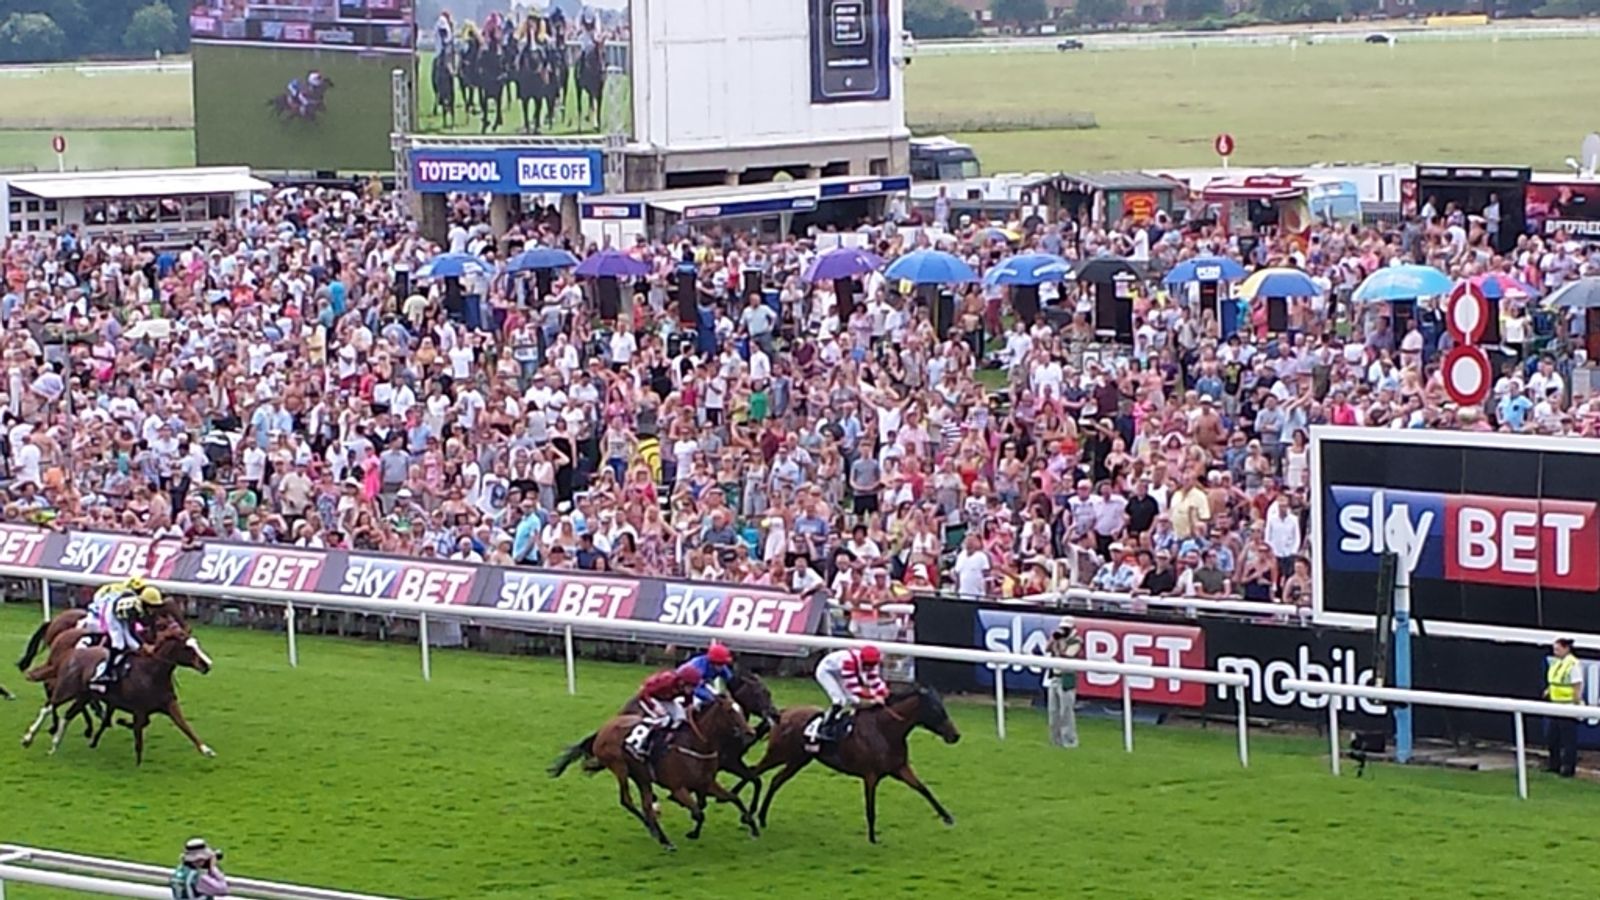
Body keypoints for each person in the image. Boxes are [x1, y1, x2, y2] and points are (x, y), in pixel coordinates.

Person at [84, 576, 165, 691]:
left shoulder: (138, 605)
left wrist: (141, 645)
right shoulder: (133, 607)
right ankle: (104, 673)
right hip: (111, 615)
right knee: (119, 644)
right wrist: (144, 646)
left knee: (133, 644)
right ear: (145, 603)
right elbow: (131, 631)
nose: (154, 610)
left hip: (119, 613)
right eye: (153, 607)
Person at [811, 644, 889, 747]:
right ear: (862, 660)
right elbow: (854, 688)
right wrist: (874, 698)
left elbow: (874, 680)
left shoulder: (873, 663)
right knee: (840, 700)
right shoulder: (849, 662)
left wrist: (884, 692)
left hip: (840, 672)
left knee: (854, 700)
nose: (869, 667)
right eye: (867, 665)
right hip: (827, 671)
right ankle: (825, 727)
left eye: (872, 665)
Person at [628, 666, 699, 761]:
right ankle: (643, 744)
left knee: (681, 717)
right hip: (649, 696)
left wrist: (689, 708)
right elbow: (645, 692)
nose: (692, 689)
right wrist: (653, 707)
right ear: (682, 682)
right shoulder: (667, 682)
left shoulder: (684, 687)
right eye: (690, 686)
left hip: (666, 699)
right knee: (663, 719)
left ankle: (671, 738)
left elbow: (688, 702)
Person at [1542, 638, 1583, 778]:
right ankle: (1554, 765)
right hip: (1555, 705)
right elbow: (1555, 681)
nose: (1555, 652)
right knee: (1552, 738)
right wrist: (1548, 690)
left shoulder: (1573, 664)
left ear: (1566, 649)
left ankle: (1568, 769)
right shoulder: (1557, 662)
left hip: (1568, 706)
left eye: (1557, 649)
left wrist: (1576, 703)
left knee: (1568, 740)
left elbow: (1577, 685)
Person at [1044, 617, 1082, 749]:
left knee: (1066, 712)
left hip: (1067, 678)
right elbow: (1046, 649)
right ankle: (1055, 741)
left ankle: (1070, 741)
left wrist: (1060, 643)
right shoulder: (1058, 638)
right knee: (1053, 711)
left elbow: (1066, 656)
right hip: (1054, 677)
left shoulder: (1076, 641)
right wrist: (1053, 639)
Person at [679, 642, 735, 707]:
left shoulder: (722, 667)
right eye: (719, 664)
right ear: (711, 662)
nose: (722, 667)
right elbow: (696, 689)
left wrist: (729, 696)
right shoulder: (698, 667)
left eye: (723, 663)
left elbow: (729, 679)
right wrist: (712, 698)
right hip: (684, 687)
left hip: (702, 684)